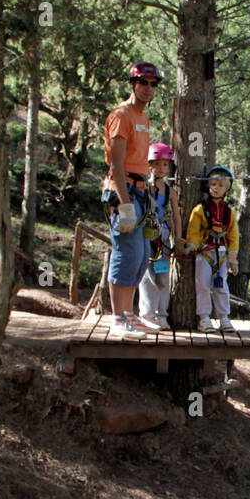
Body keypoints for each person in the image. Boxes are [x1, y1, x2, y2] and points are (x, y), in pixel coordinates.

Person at [102, 61, 162, 340]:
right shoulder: (121, 115)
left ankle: (129, 315)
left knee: (141, 257)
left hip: (140, 190)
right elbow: (116, 163)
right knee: (126, 252)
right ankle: (118, 317)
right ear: (133, 84)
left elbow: (140, 161)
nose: (149, 88)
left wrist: (146, 194)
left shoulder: (144, 118)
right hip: (122, 188)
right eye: (143, 83)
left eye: (153, 84)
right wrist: (124, 203)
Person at [185, 165, 239, 332]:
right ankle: (204, 317)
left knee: (221, 285)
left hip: (221, 253)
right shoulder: (200, 210)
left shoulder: (228, 212)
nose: (216, 188)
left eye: (221, 185)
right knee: (202, 285)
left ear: (226, 189)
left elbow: (233, 234)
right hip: (204, 252)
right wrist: (191, 245)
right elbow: (193, 230)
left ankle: (223, 317)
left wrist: (232, 257)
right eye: (213, 184)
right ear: (207, 185)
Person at [136, 142, 182, 331]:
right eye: (157, 164)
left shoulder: (170, 191)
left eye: (165, 165)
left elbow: (177, 216)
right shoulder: (143, 187)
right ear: (149, 165)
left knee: (163, 276)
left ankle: (162, 315)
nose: (161, 169)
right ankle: (147, 314)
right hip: (145, 234)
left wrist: (178, 238)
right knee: (147, 276)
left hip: (162, 236)